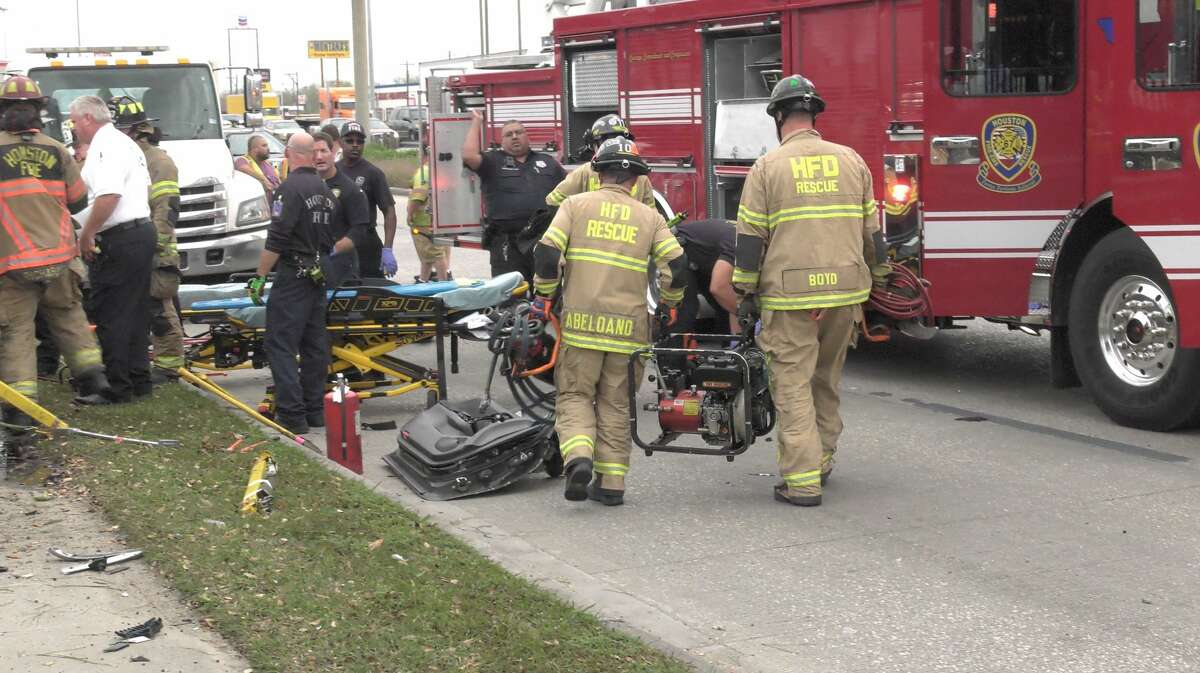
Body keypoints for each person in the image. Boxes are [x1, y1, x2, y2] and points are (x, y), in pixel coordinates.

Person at [732, 75, 884, 507]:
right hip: (844, 293)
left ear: (778, 116)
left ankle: (801, 481)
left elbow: (749, 240)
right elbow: (873, 233)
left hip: (790, 296)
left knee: (792, 384)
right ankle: (822, 459)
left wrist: (745, 291)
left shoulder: (767, 167)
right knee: (825, 380)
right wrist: (880, 275)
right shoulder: (852, 160)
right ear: (814, 113)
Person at [530, 138, 688, 506]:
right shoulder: (649, 217)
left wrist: (545, 296)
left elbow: (547, 253)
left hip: (582, 328)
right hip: (629, 331)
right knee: (616, 404)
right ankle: (612, 484)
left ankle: (579, 457)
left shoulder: (575, 206)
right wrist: (669, 303)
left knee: (575, 395)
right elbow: (677, 266)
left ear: (598, 172)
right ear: (635, 180)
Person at [0, 75, 111, 448]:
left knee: (17, 332)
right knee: (69, 318)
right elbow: (79, 200)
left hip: (13, 262)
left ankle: (19, 412)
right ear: (39, 111)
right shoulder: (57, 151)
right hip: (60, 257)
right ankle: (94, 381)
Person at [246, 133, 337, 435]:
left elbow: (278, 237)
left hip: (294, 275)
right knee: (314, 345)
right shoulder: (325, 190)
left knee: (281, 344)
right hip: (318, 274)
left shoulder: (289, 189)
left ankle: (292, 415)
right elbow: (330, 236)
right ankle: (314, 411)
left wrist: (260, 276)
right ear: (311, 154)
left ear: (289, 153)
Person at [69, 94, 156, 404]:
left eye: (74, 121)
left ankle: (118, 388)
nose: (73, 127)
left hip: (119, 238)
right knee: (135, 312)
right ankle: (139, 380)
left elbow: (108, 196)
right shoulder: (125, 143)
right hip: (139, 232)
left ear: (88, 118)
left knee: (112, 313)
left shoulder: (105, 147)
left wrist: (86, 233)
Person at [108, 97, 184, 380]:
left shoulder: (158, 161)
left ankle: (168, 366)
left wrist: (156, 244)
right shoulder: (122, 157)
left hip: (154, 247)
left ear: (132, 130)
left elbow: (167, 207)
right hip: (128, 245)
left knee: (158, 307)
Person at [463, 112, 565, 279]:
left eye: (519, 132)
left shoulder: (548, 162)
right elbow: (468, 156)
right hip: (507, 244)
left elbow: (569, 189)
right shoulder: (492, 161)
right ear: (502, 141)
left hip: (543, 240)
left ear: (527, 136)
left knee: (546, 290)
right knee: (511, 292)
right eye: (509, 134)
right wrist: (476, 121)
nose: (515, 137)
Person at [546, 114, 656, 209]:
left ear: (595, 144)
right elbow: (651, 216)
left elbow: (553, 201)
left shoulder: (585, 172)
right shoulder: (640, 176)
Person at [337, 121, 397, 278]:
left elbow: (389, 211)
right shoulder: (333, 172)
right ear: (340, 143)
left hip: (367, 244)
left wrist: (387, 249)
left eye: (360, 141)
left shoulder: (373, 173)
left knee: (371, 289)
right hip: (339, 242)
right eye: (350, 141)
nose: (355, 145)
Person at [312, 131, 366, 290]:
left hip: (341, 268)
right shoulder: (305, 187)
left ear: (333, 152)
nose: (319, 157)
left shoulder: (350, 189)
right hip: (311, 266)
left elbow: (359, 229)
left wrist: (334, 250)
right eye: (314, 152)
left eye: (323, 151)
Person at [672, 219, 740, 335]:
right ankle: (673, 345)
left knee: (724, 307)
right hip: (678, 251)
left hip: (702, 256)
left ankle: (728, 343)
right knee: (685, 312)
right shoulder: (741, 245)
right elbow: (718, 288)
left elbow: (733, 299)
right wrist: (745, 314)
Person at [407, 141, 450, 281]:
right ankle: (423, 280)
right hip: (439, 220)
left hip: (423, 222)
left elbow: (418, 196)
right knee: (429, 254)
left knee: (434, 254)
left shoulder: (424, 172)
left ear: (422, 153)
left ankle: (443, 283)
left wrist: (409, 214)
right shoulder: (439, 170)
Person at [234, 134, 280, 199]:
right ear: (254, 149)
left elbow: (278, 178)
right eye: (264, 146)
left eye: (267, 145)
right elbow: (242, 168)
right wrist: (263, 179)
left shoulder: (268, 163)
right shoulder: (243, 160)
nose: (268, 148)